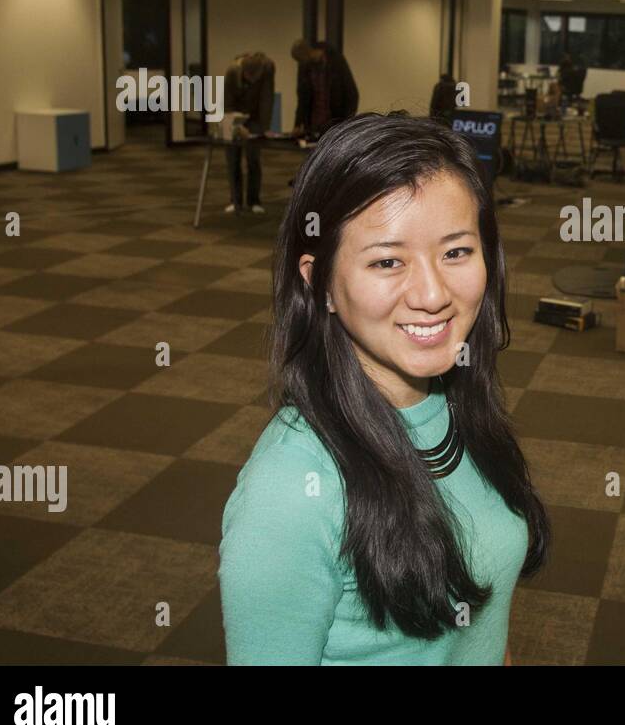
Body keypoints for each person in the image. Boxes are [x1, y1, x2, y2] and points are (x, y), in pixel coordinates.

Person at [219, 114, 550, 665]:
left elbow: (482, 629)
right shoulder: (289, 494)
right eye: (388, 261)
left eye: (456, 252)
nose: (432, 293)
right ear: (318, 279)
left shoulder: (456, 402)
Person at [222, 52, 274, 215]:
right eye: (250, 77)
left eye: (256, 78)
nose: (253, 81)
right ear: (243, 71)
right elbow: (228, 104)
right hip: (234, 115)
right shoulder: (231, 72)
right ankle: (235, 201)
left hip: (255, 118)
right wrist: (237, 126)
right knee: (233, 159)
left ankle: (254, 201)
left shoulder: (267, 69)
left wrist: (264, 128)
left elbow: (266, 99)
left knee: (253, 159)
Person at [291, 38, 359, 140]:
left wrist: (346, 124)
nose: (303, 64)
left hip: (335, 124)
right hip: (313, 127)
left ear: (308, 53)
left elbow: (352, 94)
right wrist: (297, 124)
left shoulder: (336, 61)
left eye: (303, 60)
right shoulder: (305, 68)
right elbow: (302, 97)